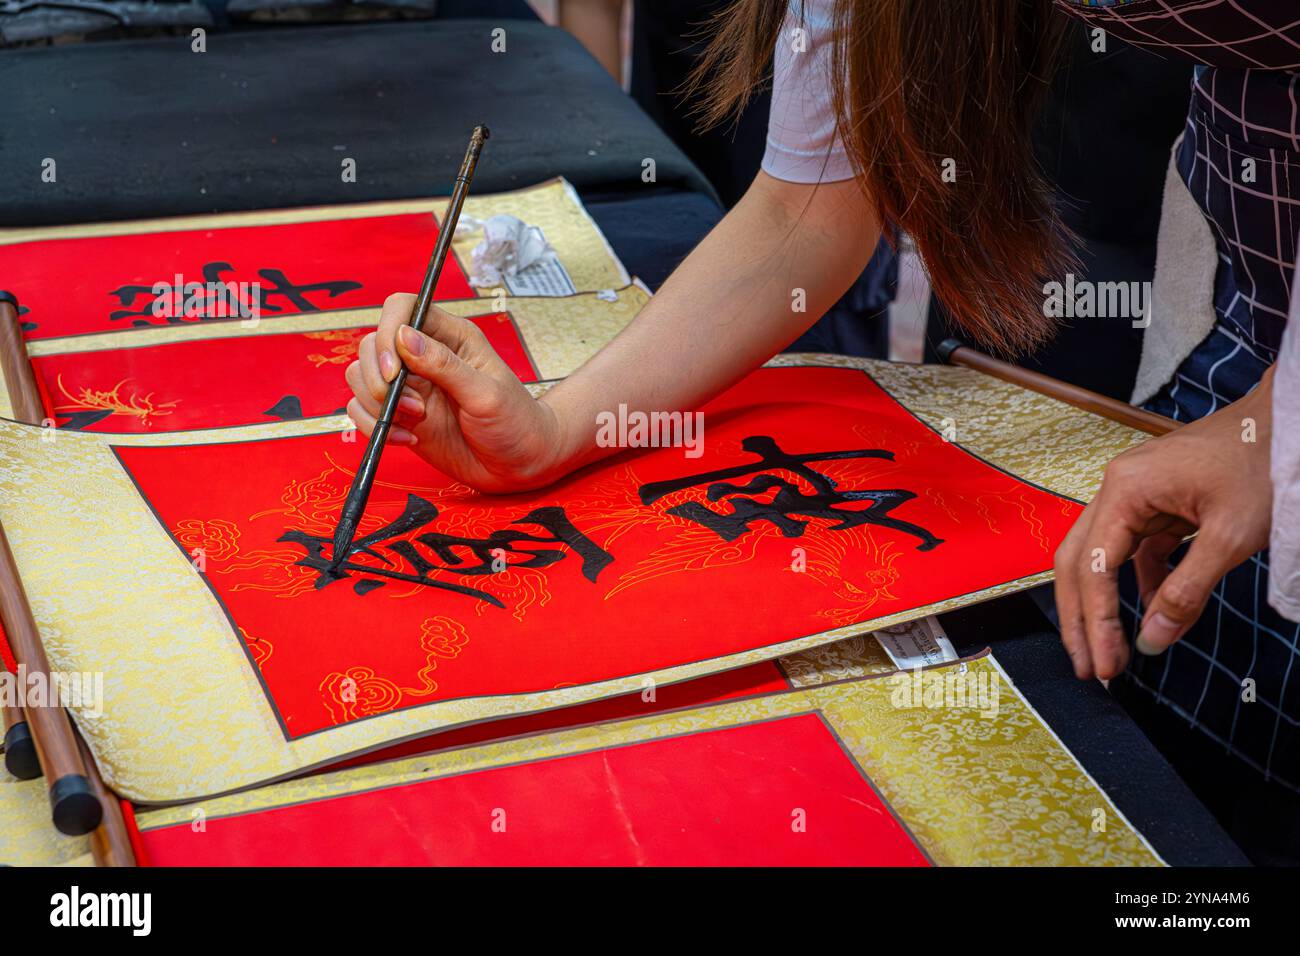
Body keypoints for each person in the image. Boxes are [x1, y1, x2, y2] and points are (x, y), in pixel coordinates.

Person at [349, 0, 1299, 859]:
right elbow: (810, 209)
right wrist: (556, 428)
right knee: (1193, 790)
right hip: (1252, 310)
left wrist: (1273, 425)